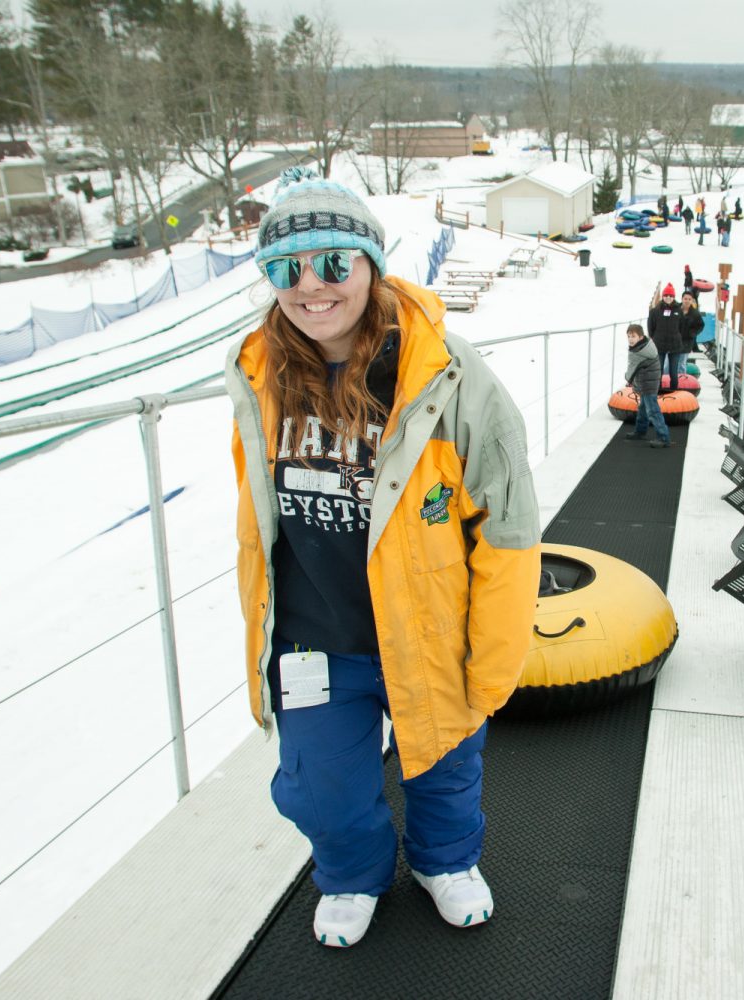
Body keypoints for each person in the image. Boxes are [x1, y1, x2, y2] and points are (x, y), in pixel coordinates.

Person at [226, 169, 541, 950]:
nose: (312, 288)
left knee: (445, 766)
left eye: (333, 263)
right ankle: (353, 869)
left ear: (370, 263)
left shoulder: (448, 375)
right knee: (319, 786)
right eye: (285, 269)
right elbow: (259, 519)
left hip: (428, 624)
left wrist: (495, 655)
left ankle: (445, 860)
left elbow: (508, 524)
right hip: (314, 631)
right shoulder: (261, 372)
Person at [623, 323, 669, 448]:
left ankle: (663, 437)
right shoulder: (647, 346)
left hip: (648, 384)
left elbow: (631, 370)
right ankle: (640, 431)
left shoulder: (638, 352)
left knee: (653, 410)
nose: (630, 339)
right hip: (648, 382)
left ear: (641, 337)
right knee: (643, 409)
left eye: (633, 336)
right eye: (628, 336)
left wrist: (627, 378)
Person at [648, 283, 687, 390]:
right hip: (659, 346)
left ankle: (674, 392)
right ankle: (658, 391)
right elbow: (650, 328)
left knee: (673, 372)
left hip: (675, 346)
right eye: (666, 295)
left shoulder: (678, 311)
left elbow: (682, 328)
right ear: (663, 296)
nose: (668, 298)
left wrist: (677, 337)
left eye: (670, 296)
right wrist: (656, 338)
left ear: (674, 297)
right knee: (658, 370)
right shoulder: (655, 311)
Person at [679, 290, 705, 356]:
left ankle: (695, 348)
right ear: (682, 299)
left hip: (687, 343)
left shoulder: (695, 313)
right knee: (668, 365)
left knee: (682, 364)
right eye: (685, 299)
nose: (687, 301)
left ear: (692, 300)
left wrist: (693, 333)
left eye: (689, 299)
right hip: (674, 341)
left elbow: (701, 325)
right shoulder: (675, 310)